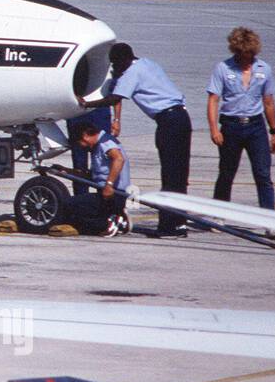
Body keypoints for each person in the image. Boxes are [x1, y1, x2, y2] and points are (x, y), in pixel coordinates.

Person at [79, 43, 191, 237]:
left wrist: (87, 104)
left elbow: (114, 99)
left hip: (168, 122)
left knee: (170, 176)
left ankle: (169, 226)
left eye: (115, 64)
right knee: (179, 176)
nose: (114, 68)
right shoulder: (147, 63)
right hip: (181, 118)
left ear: (123, 61)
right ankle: (179, 223)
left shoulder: (131, 73)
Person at [207, 26, 275, 211]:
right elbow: (213, 100)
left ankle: (270, 218)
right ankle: (219, 213)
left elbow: (269, 102)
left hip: (256, 126)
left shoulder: (264, 69)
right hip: (231, 126)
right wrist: (214, 129)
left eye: (249, 53)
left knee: (263, 173)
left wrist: (274, 132)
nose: (245, 58)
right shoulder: (223, 68)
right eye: (241, 53)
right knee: (226, 173)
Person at [70, 122, 130, 237]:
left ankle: (107, 223)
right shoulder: (97, 146)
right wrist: (66, 171)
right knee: (78, 204)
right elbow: (93, 175)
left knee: (70, 205)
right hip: (106, 193)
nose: (83, 146)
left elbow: (119, 159)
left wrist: (109, 185)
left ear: (85, 135)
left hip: (114, 194)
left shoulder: (105, 142)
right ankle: (119, 216)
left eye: (81, 142)